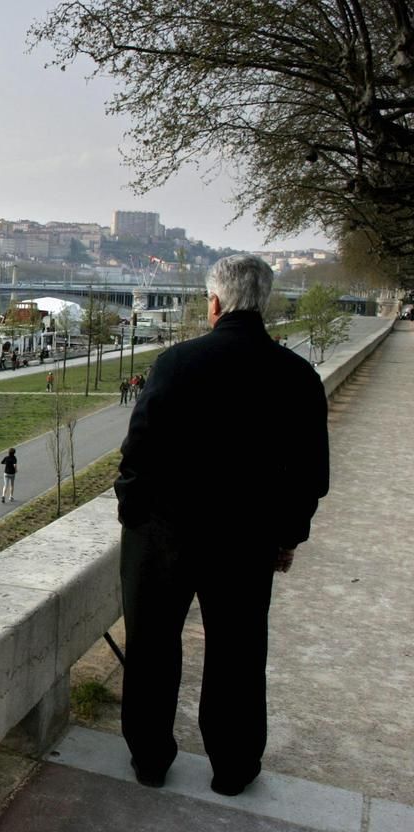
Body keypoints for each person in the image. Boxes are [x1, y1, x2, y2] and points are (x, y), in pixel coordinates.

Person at [115, 255, 329, 796]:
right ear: (265, 302)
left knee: (152, 646)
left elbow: (138, 453)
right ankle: (233, 767)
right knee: (237, 651)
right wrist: (288, 536)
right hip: (247, 539)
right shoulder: (297, 376)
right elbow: (310, 475)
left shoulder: (176, 364)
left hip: (165, 534)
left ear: (214, 303)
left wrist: (134, 518)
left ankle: (151, 758)